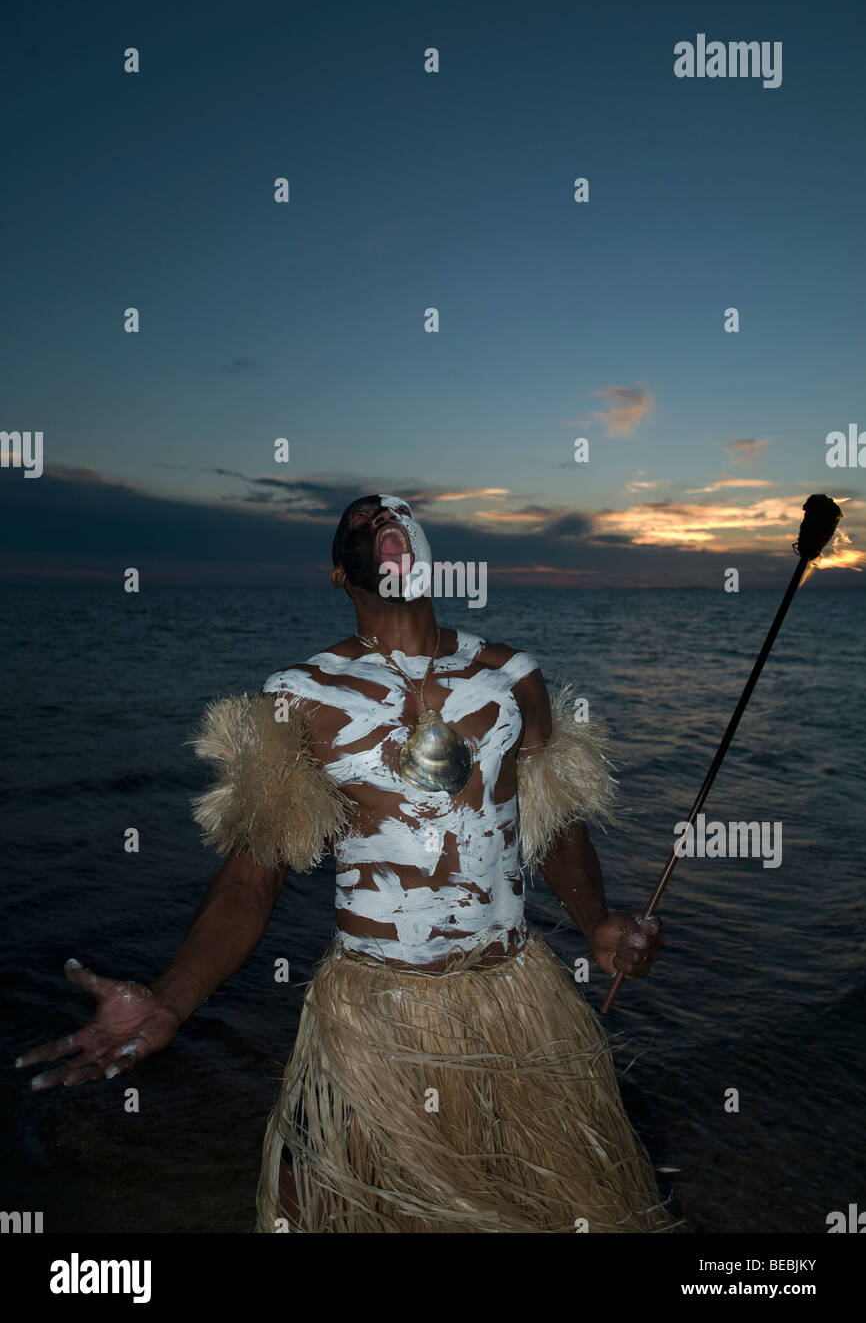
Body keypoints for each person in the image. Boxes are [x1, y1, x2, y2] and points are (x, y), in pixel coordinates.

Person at [17, 493, 671, 1233]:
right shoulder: (301, 697)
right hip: (373, 1009)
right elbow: (250, 876)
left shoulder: (510, 674)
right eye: (362, 522)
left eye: (397, 512)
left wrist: (597, 922)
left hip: (511, 991)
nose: (383, 518)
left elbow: (552, 824)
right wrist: (171, 998)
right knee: (318, 1203)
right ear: (339, 573)